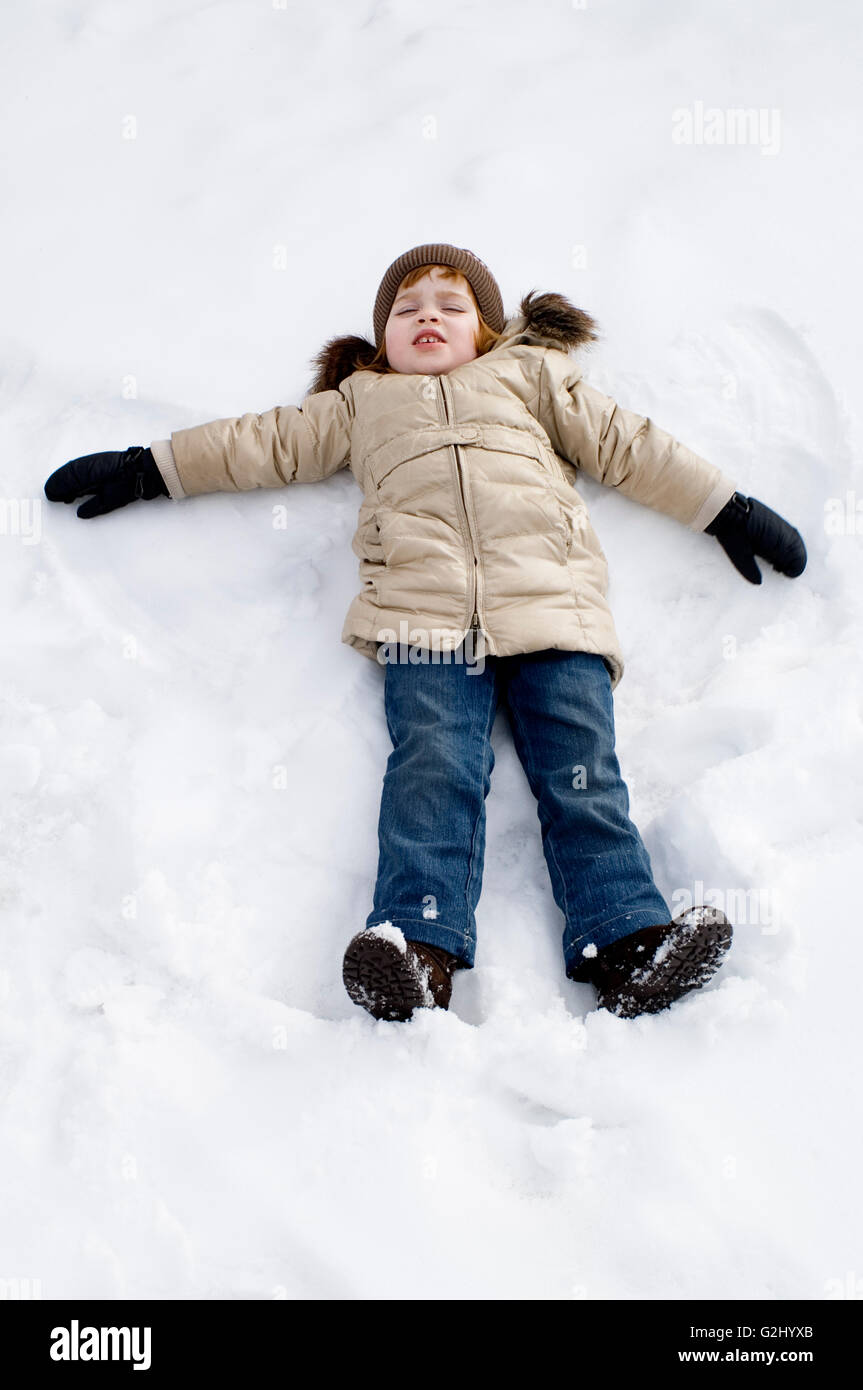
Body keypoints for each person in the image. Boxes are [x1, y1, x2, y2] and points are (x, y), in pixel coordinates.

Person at [44, 242, 807, 1023]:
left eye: (450, 305)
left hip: (553, 608)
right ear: (382, 342)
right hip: (420, 621)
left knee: (583, 776)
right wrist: (150, 467)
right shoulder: (360, 403)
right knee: (430, 774)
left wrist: (726, 508)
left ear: (486, 331)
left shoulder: (530, 378)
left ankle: (626, 943)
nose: (427, 318)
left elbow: (628, 445)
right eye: (406, 310)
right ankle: (415, 948)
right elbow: (260, 442)